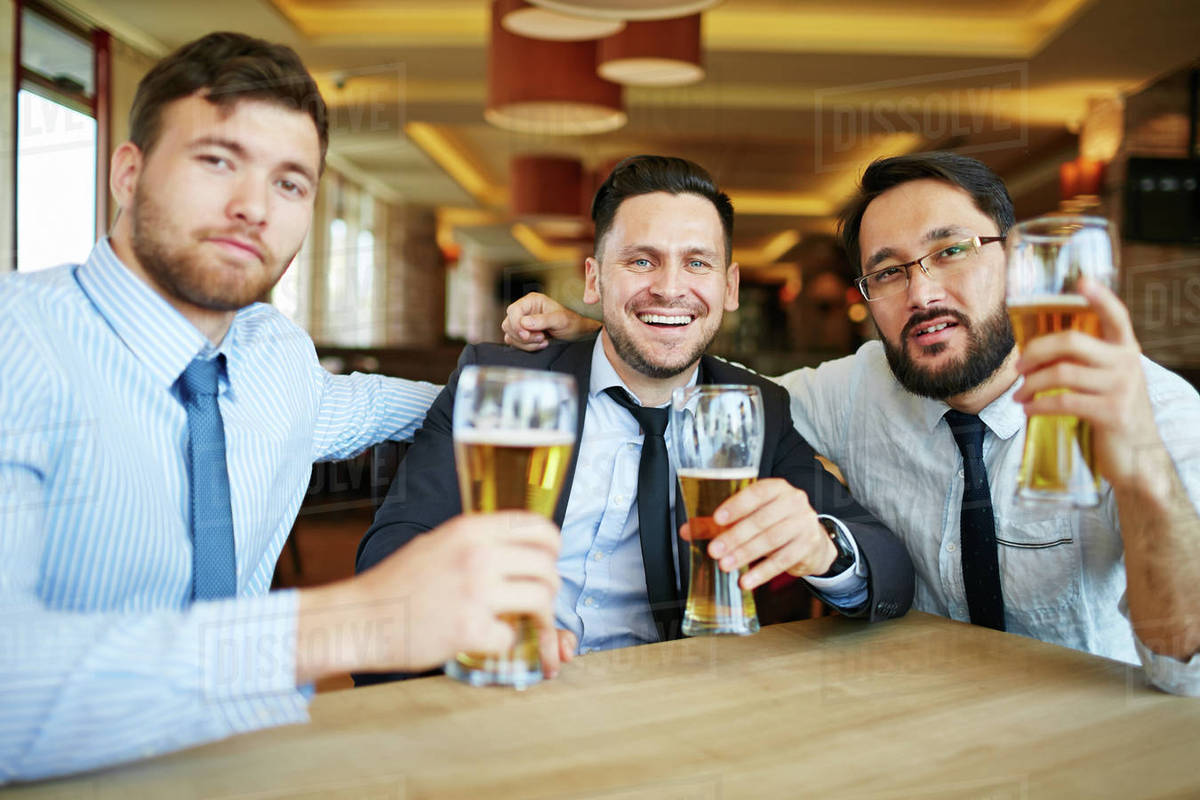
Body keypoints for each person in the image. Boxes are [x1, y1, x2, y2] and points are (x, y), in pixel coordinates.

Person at [0, 33, 560, 783]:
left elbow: (385, 406)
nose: (252, 208)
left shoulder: (272, 356)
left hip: (266, 769)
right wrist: (359, 620)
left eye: (290, 183)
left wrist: (562, 372)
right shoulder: (18, 343)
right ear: (127, 174)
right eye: (217, 161)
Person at [502, 151, 1200, 695]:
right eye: (888, 272)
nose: (922, 292)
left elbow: (1184, 666)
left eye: (951, 251)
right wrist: (602, 331)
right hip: (913, 719)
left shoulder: (1149, 408)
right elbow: (713, 393)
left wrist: (1138, 462)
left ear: (1014, 260)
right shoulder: (862, 383)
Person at [357, 155, 914, 681]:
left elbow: (887, 567)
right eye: (641, 260)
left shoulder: (754, 406)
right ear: (595, 280)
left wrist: (824, 549)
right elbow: (394, 550)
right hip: (502, 681)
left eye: (697, 262)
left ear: (729, 287)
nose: (670, 289)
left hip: (671, 704)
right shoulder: (500, 381)